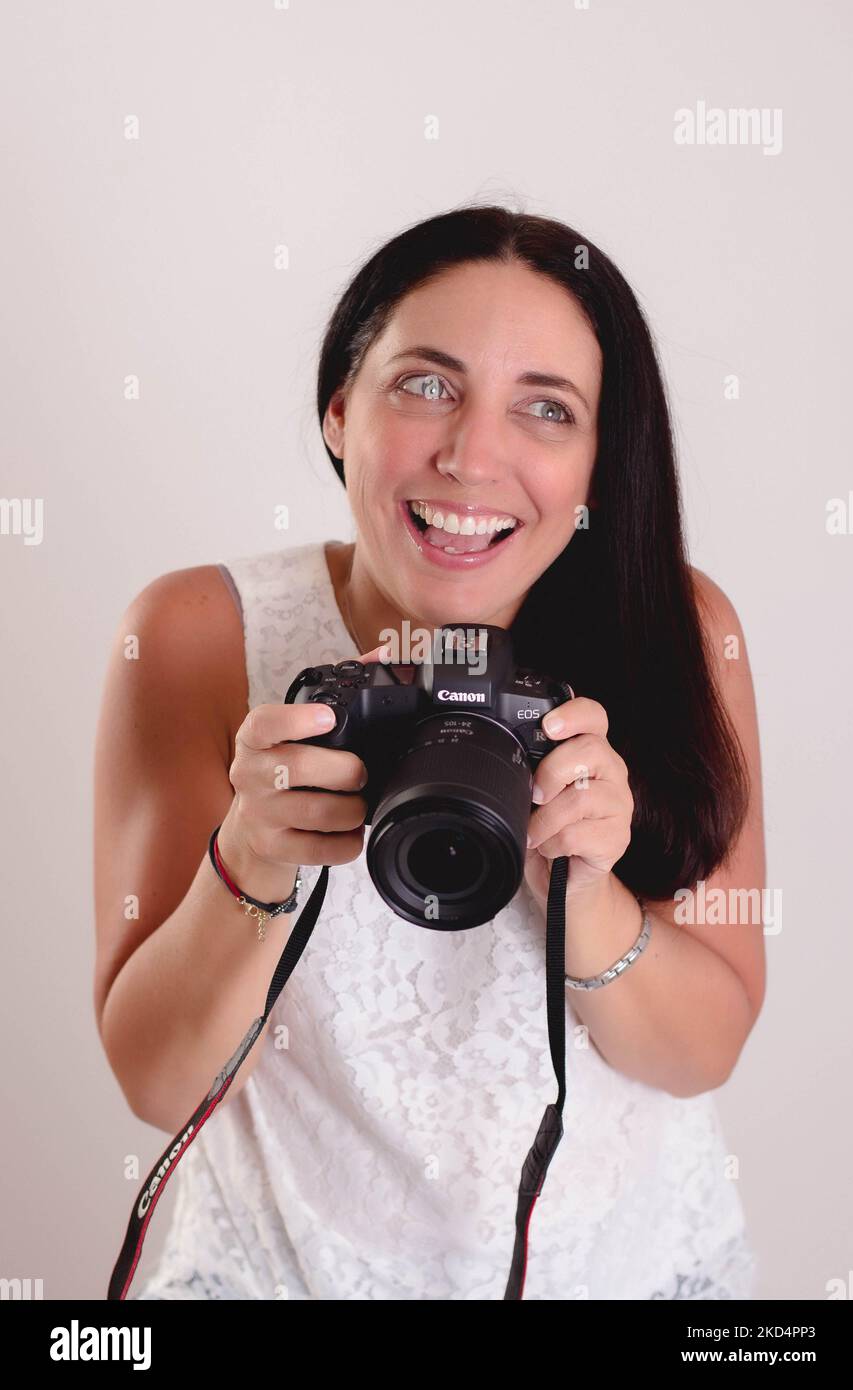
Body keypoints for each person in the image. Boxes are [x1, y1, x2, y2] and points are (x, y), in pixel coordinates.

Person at [93, 204, 766, 1300]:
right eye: (425, 384)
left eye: (544, 408)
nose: (469, 455)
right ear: (337, 408)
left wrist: (583, 891)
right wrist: (253, 858)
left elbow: (699, 1055)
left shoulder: (673, 626)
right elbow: (161, 1084)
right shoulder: (198, 635)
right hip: (287, 1271)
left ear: (600, 465)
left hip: (629, 1269)